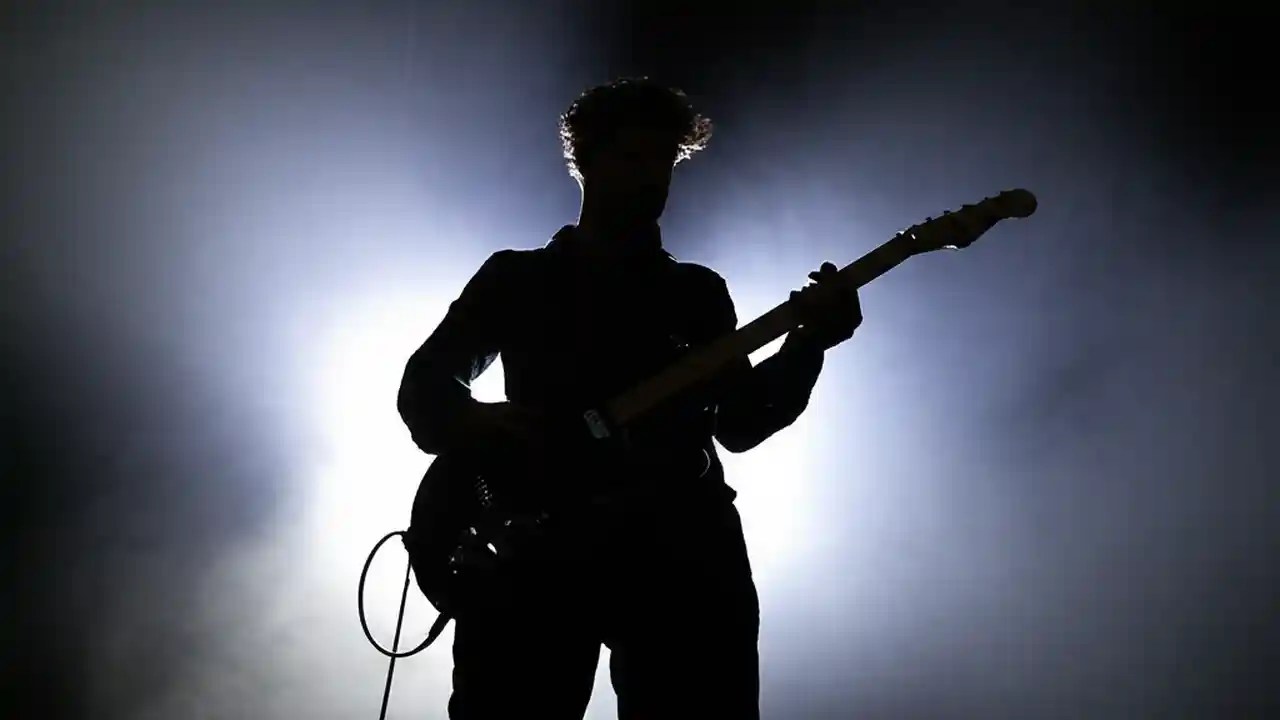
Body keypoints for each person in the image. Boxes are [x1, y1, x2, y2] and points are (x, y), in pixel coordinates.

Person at [396, 77, 862, 720]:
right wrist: (487, 427)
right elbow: (424, 386)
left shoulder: (696, 294)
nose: (653, 180)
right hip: (539, 553)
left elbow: (740, 421)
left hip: (679, 557)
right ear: (586, 160)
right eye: (633, 158)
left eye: (664, 162)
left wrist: (809, 345)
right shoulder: (518, 277)